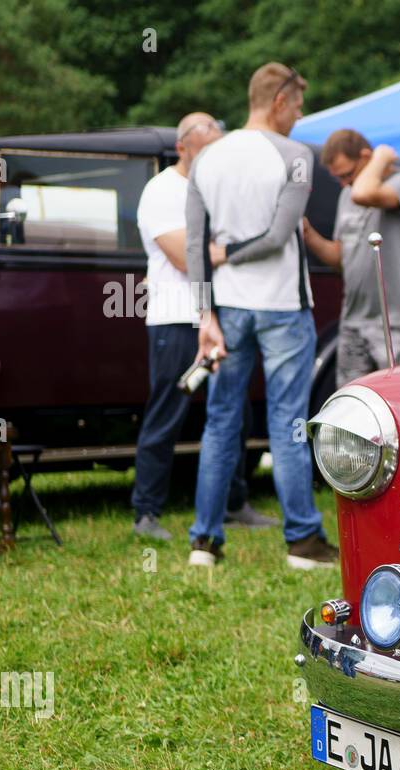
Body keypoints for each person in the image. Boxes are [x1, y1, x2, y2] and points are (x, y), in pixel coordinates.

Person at [185, 63, 337, 570]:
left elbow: (193, 244)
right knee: (288, 422)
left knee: (220, 421)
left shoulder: (207, 158)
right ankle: (302, 542)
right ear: (277, 101)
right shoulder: (296, 156)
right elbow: (277, 237)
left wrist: (203, 312)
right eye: (296, 105)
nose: (299, 116)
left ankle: (204, 542)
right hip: (282, 308)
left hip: (227, 309)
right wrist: (227, 254)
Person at [131, 112, 277, 541]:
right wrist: (252, 247)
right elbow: (184, 257)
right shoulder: (161, 191)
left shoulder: (214, 190)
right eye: (207, 145)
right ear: (182, 147)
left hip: (220, 316)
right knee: (168, 413)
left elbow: (206, 251)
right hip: (178, 319)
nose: (216, 154)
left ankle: (234, 502)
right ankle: (145, 512)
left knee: (236, 413)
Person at [302, 129, 400, 385]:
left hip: (395, 323)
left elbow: (364, 194)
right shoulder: (347, 194)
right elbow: (340, 259)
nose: (344, 184)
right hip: (354, 321)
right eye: (338, 178)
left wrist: (380, 157)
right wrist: (308, 233)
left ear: (365, 156)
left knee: (398, 402)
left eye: (347, 174)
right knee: (351, 404)